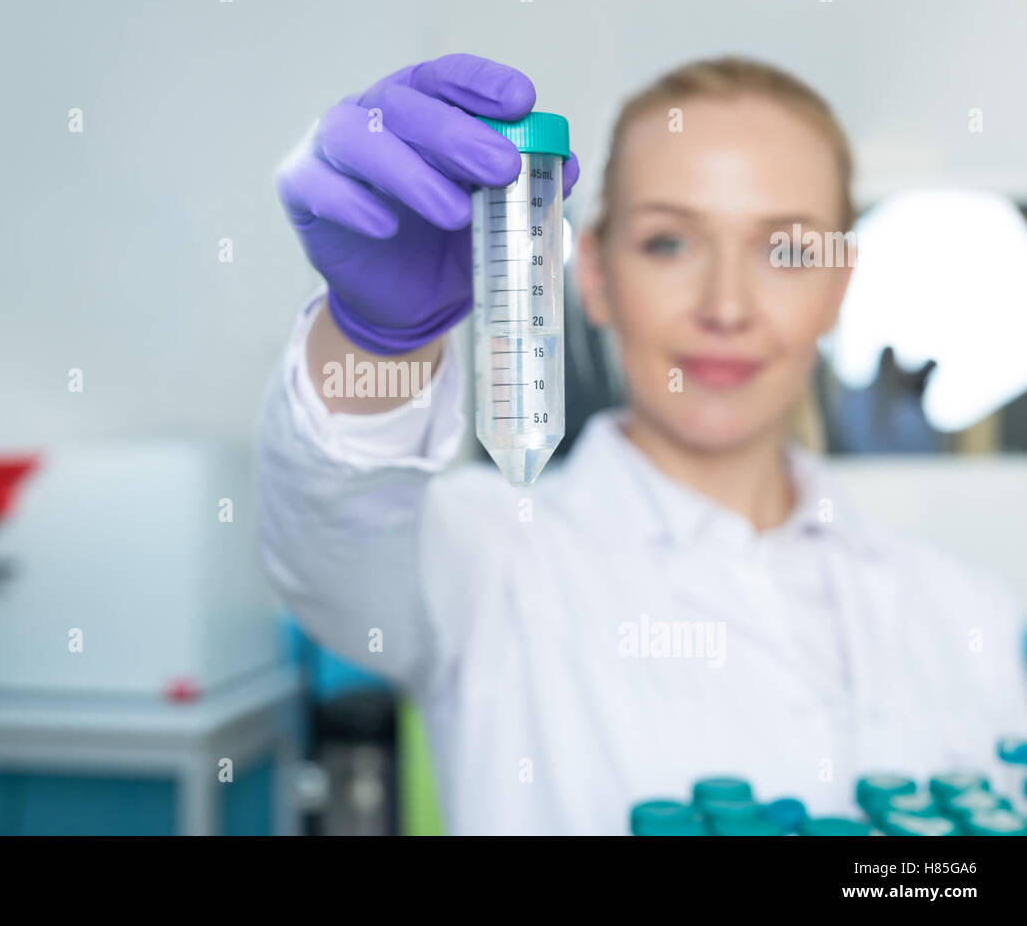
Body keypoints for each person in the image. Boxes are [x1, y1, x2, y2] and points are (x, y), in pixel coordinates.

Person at [256, 53, 1027, 834]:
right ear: (591, 273)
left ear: (838, 285)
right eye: (669, 243)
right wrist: (376, 341)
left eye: (786, 250)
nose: (726, 305)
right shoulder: (485, 560)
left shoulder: (969, 613)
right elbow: (333, 536)